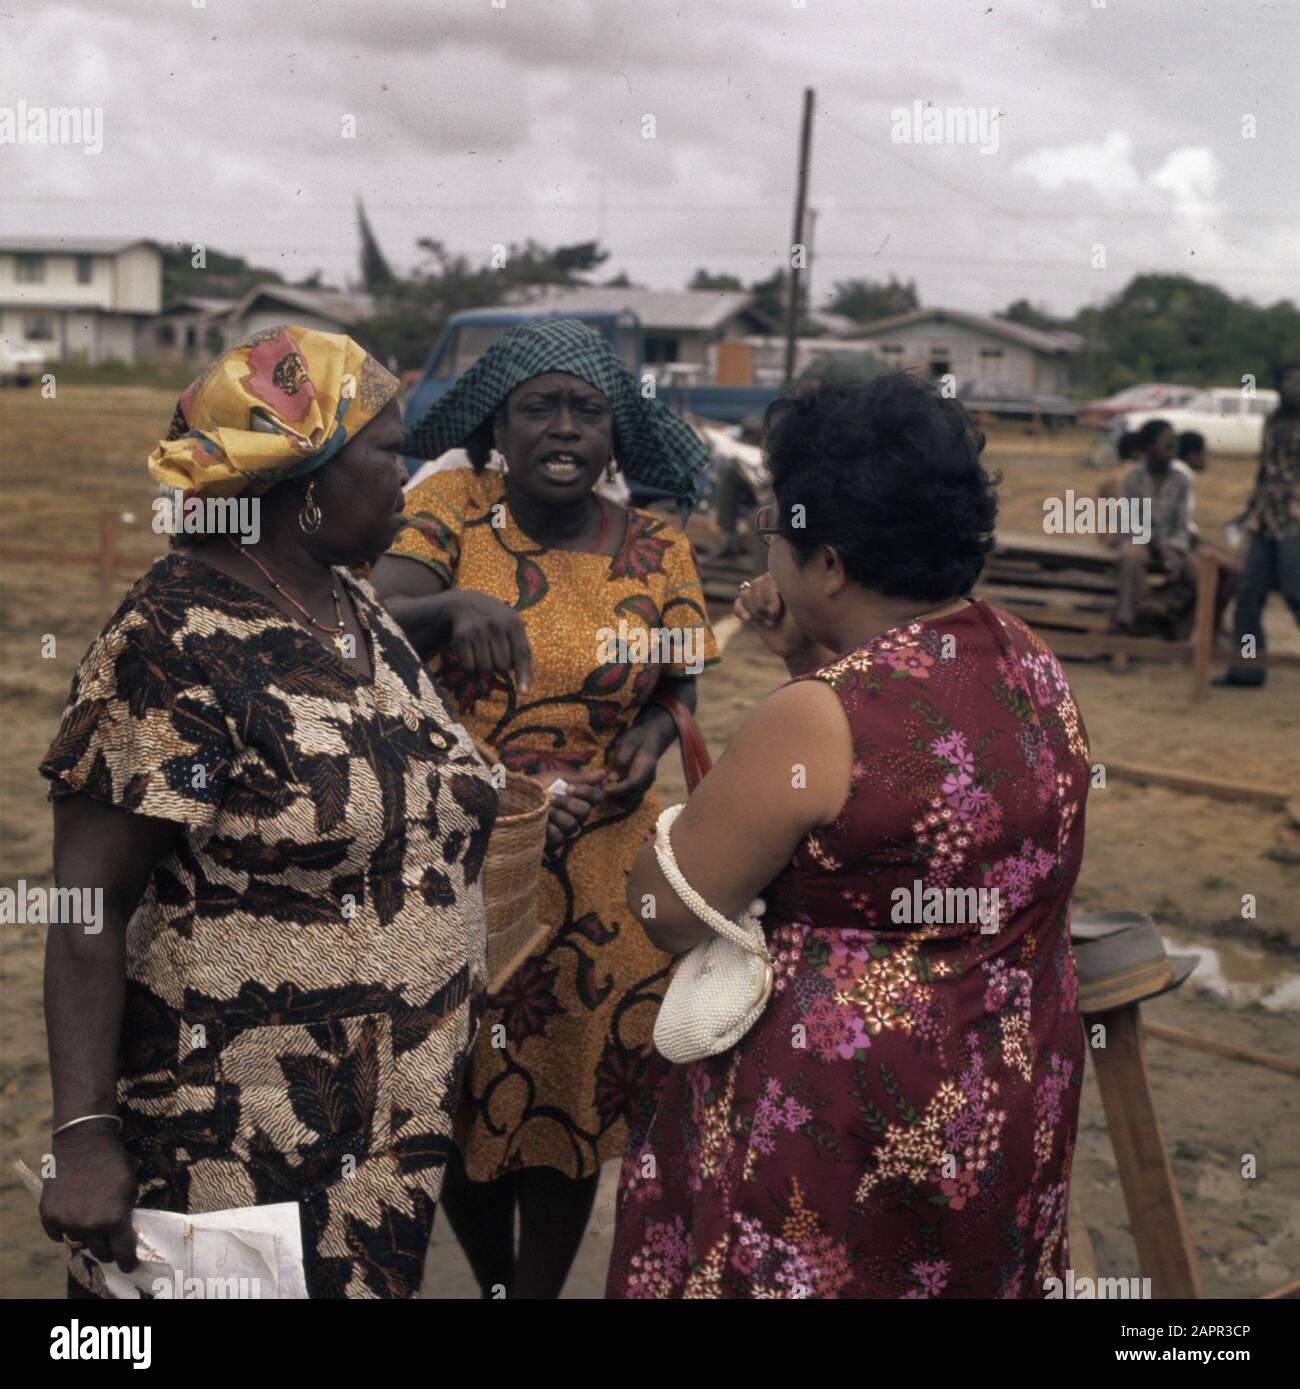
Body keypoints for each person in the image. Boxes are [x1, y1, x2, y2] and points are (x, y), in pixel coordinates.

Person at [604, 374, 1090, 1299]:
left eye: (775, 538)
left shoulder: (816, 718)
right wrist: (803, 656)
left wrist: (789, 696)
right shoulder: (1026, 655)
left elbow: (666, 906)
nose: (765, 555)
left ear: (825, 563)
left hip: (841, 1132)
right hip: (1000, 1095)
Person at [38, 326, 497, 1299]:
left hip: (384, 1134)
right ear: (309, 477)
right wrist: (81, 1133)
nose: (407, 481)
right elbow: (87, 905)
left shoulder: (347, 607)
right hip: (231, 1147)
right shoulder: (173, 642)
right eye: (388, 451)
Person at [370, 317, 720, 1298]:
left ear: (613, 436)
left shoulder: (653, 545)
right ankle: (492, 1282)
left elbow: (677, 686)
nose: (562, 429)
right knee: (456, 1101)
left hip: (596, 877)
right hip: (456, 861)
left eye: (585, 411)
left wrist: (649, 748)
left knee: (565, 1105)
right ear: (496, 429)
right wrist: (449, 609)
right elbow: (365, 619)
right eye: (538, 409)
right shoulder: (447, 510)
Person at [1214, 362, 1300, 688]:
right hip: (1265, 522)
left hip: (1295, 524)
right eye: (1291, 380)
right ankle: (1247, 668)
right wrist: (1246, 512)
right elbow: (1264, 473)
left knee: (1296, 593)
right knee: (1248, 595)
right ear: (1279, 385)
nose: (1297, 387)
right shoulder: (1272, 422)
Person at [1111, 418, 1197, 639]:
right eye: (1166, 443)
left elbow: (1180, 525)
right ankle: (1126, 623)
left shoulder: (1181, 481)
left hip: (1171, 543)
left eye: (1174, 443)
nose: (1172, 449)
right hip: (1138, 539)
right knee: (1131, 556)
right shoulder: (1133, 478)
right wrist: (1159, 546)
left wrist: (1173, 550)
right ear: (1149, 447)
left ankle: (1179, 629)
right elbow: (1130, 522)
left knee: (1198, 570)